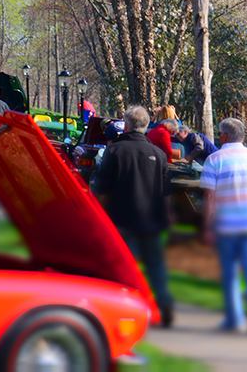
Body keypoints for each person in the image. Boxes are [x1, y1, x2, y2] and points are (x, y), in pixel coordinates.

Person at [91, 106, 174, 327]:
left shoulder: (115, 151)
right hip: (153, 220)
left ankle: (124, 309)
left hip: (123, 218)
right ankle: (164, 304)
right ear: (146, 127)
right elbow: (166, 191)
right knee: (156, 266)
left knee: (124, 267)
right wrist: (166, 215)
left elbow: (102, 188)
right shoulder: (158, 154)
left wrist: (98, 213)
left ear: (126, 125)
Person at [200, 118, 247, 334]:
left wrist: (207, 227)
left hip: (226, 223)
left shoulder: (214, 159)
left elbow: (209, 197)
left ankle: (235, 318)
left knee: (230, 271)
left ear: (223, 136)